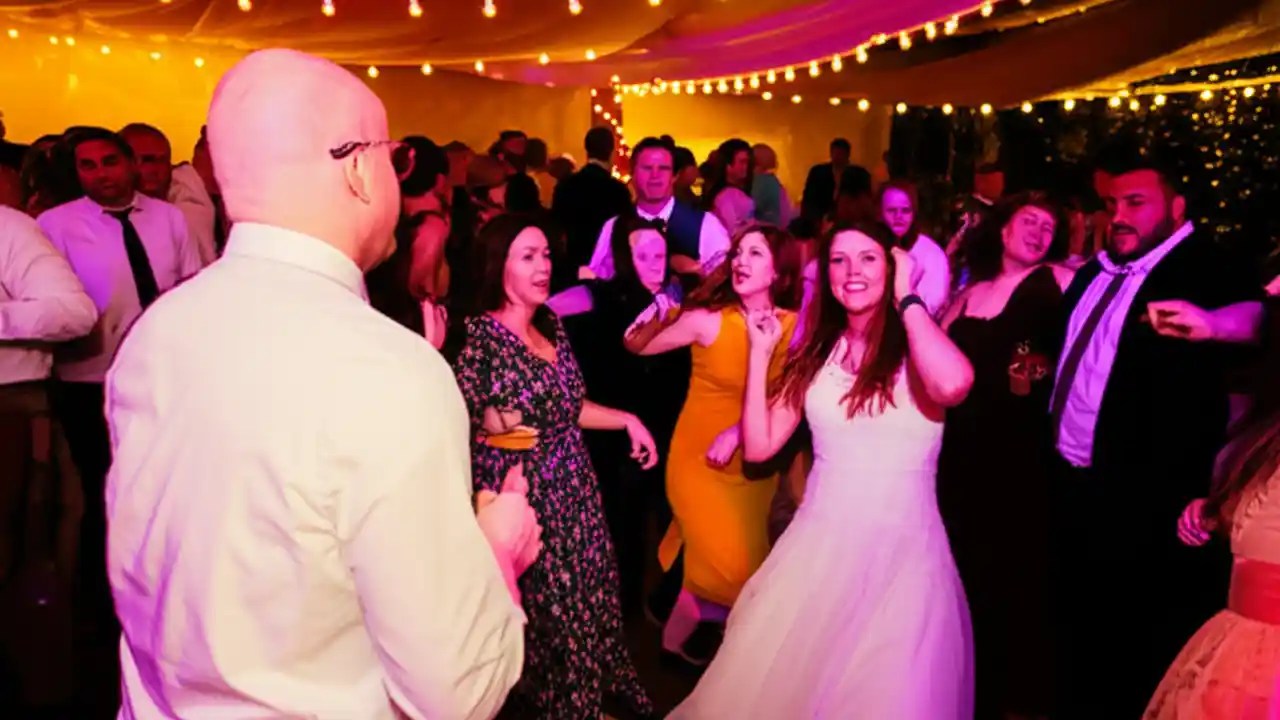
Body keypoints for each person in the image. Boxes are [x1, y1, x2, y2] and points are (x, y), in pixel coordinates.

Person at [104, 49, 537, 719]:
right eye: (392, 159)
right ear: (360, 170)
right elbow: (457, 694)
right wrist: (498, 554)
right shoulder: (388, 371)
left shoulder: (157, 333)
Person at [671, 223, 975, 718]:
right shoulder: (818, 352)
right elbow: (762, 443)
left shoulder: (918, 343)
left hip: (903, 565)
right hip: (815, 558)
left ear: (893, 266)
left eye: (869, 258)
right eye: (839, 260)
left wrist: (908, 297)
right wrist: (761, 355)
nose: (852, 271)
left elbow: (953, 385)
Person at [1049, 141, 1264, 716]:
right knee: (1078, 638)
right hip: (1074, 486)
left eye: (1136, 203)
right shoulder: (1095, 270)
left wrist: (1216, 324)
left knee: (1139, 652)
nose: (1118, 216)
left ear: (1175, 207)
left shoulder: (1209, 266)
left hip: (1152, 503)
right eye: (1111, 203)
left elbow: (1257, 317)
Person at [451, 213, 657, 719]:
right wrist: (495, 425)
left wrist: (627, 419)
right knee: (552, 624)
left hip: (577, 492)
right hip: (525, 500)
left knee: (594, 604)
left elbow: (570, 406)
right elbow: (468, 420)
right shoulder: (478, 337)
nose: (544, 266)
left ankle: (589, 704)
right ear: (498, 265)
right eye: (528, 256)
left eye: (546, 255)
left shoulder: (553, 326)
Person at [623, 225, 803, 665]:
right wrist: (659, 308)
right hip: (697, 461)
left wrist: (740, 430)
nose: (741, 261)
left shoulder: (793, 326)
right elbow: (635, 346)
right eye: (738, 253)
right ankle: (747, 661)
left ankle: (671, 650)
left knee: (721, 564)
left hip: (756, 464)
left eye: (755, 254)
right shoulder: (708, 320)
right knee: (735, 568)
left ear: (779, 272)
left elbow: (791, 394)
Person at [937, 193, 1074, 719]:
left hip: (1018, 457)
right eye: (1029, 221)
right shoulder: (967, 295)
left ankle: (1003, 698)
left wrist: (1030, 371)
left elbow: (1065, 354)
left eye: (1048, 225)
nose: (1039, 232)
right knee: (959, 573)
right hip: (959, 455)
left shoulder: (1058, 281)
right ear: (1002, 229)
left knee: (1009, 581)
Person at [548, 214, 691, 615]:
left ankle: (667, 606)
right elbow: (555, 302)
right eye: (642, 254)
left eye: (659, 254)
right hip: (616, 434)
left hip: (671, 429)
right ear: (625, 256)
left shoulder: (679, 302)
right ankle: (622, 610)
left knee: (674, 522)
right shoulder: (605, 296)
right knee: (623, 526)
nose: (653, 262)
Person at [586, 137, 730, 283]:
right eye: (647, 168)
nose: (655, 176)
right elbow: (597, 281)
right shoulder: (613, 227)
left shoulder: (706, 224)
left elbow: (724, 283)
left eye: (663, 168)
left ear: (674, 176)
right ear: (632, 175)